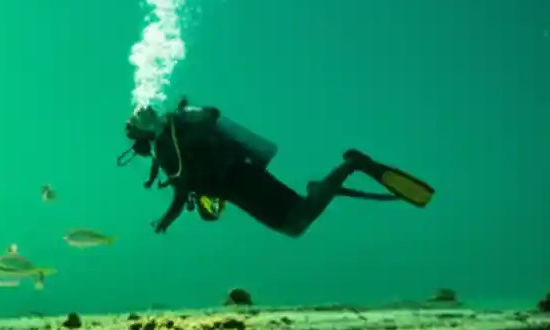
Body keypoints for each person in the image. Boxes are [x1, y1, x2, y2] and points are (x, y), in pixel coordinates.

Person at [119, 98, 434, 237]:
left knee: (296, 222)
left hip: (244, 185)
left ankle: (351, 165)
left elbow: (181, 189)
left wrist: (165, 221)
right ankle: (330, 182)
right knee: (296, 220)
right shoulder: (176, 130)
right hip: (245, 178)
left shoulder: (169, 147)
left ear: (144, 138)